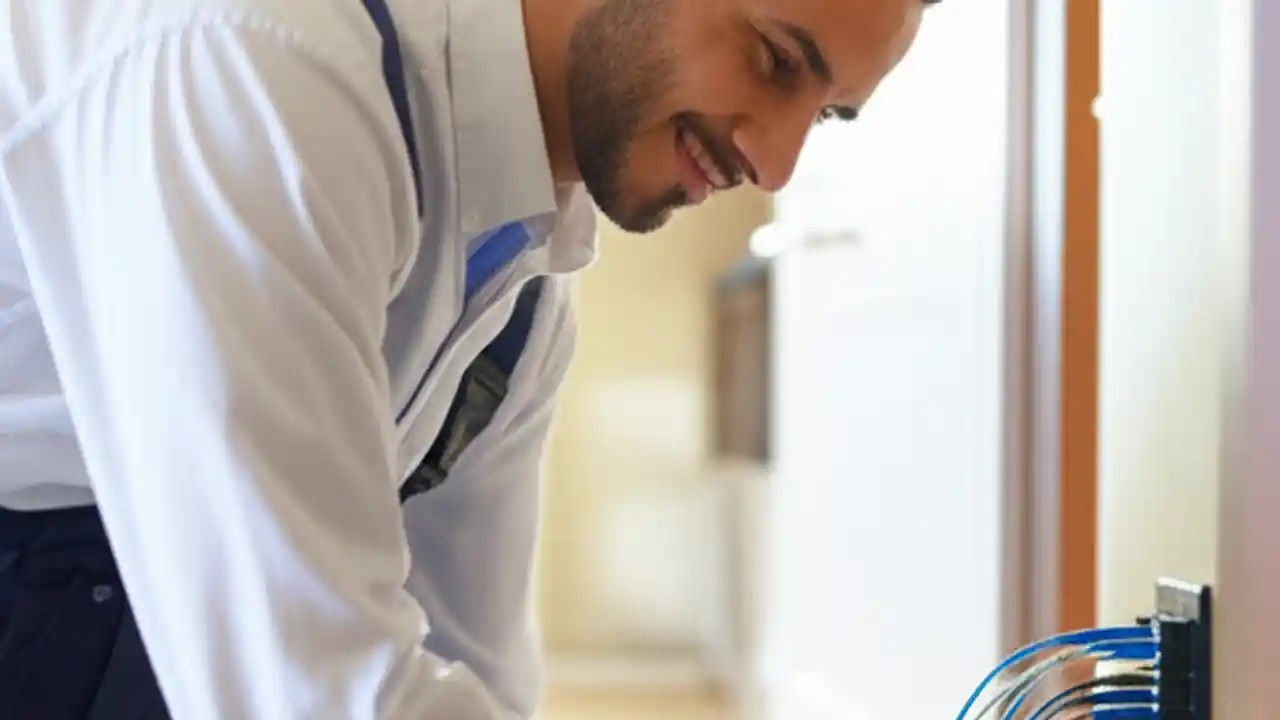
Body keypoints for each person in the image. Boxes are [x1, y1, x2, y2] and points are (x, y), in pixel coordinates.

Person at [0, 0, 928, 716]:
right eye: (773, 59)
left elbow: (472, 665)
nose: (775, 167)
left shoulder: (521, 308)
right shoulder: (264, 66)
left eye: (828, 115)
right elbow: (308, 692)